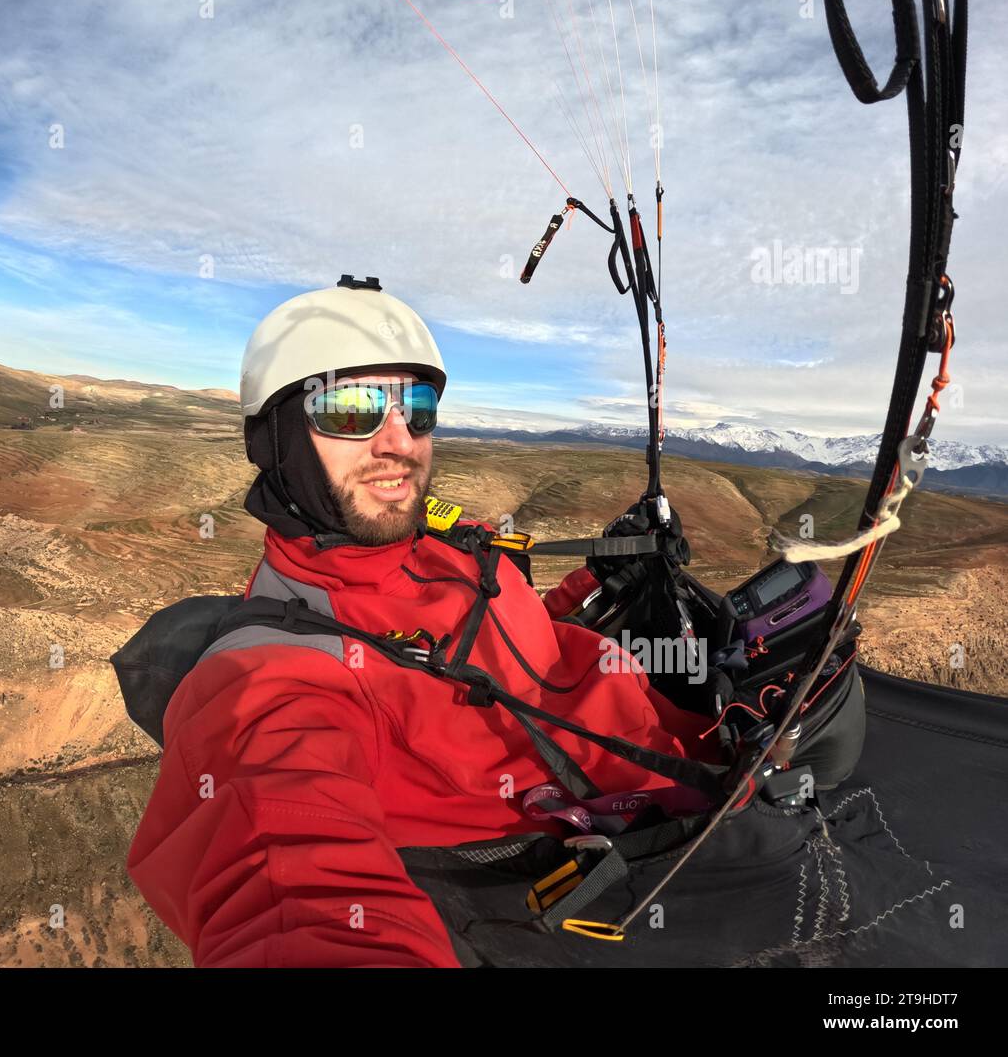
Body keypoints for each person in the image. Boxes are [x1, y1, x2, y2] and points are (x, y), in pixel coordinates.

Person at [126, 276, 715, 967]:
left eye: (416, 405)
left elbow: (511, 651)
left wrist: (603, 580)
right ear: (278, 437)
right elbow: (289, 880)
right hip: (658, 856)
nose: (399, 440)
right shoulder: (270, 673)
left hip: (708, 741)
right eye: (351, 408)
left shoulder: (446, 541)